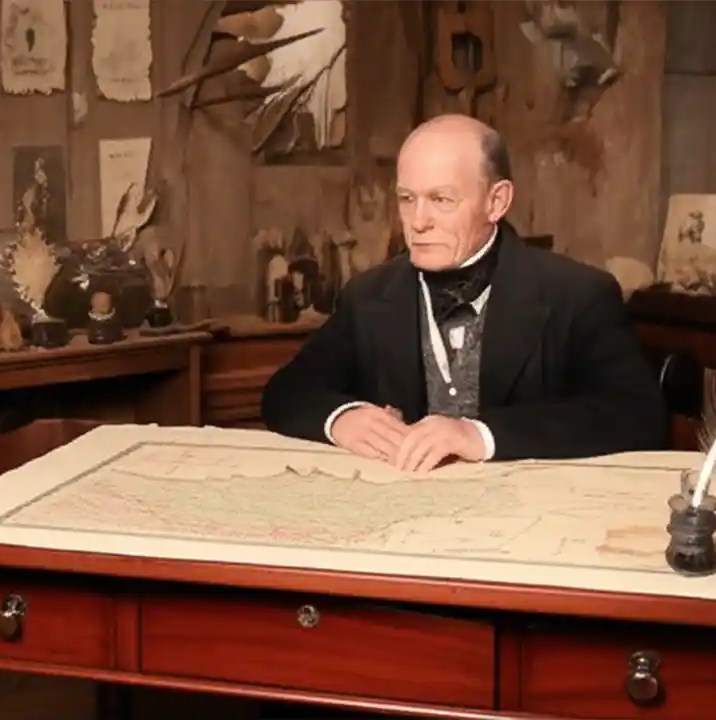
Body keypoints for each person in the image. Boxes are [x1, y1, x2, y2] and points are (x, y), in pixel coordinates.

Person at [260, 114, 667, 471]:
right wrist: (343, 418)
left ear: (497, 201)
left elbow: (637, 415)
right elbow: (286, 393)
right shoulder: (368, 297)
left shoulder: (578, 294)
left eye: (441, 199)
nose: (418, 222)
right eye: (407, 199)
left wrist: (480, 436)